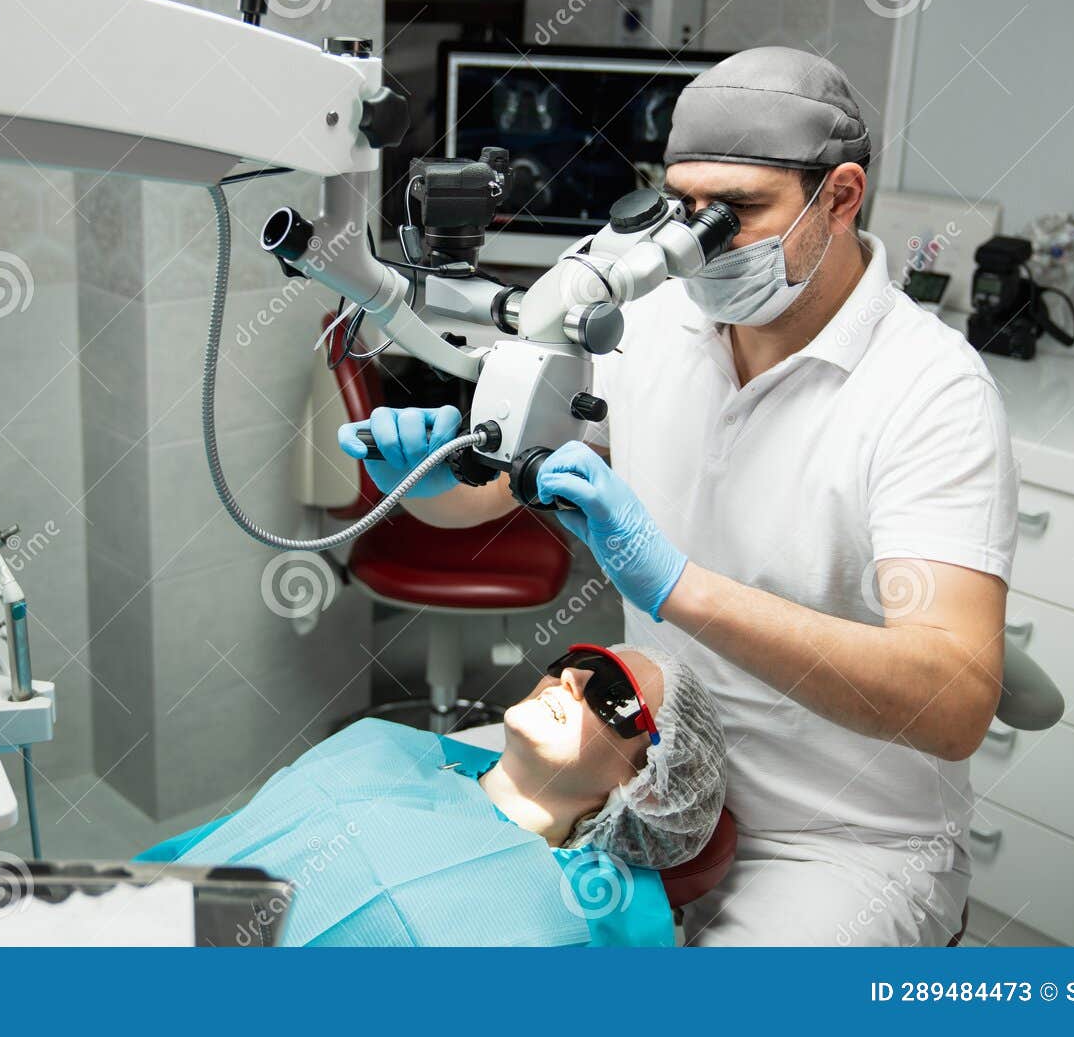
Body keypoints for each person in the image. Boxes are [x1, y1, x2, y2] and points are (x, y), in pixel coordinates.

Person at [338, 47, 1019, 946]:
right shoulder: (651, 323)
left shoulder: (931, 391)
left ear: (841, 195)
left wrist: (676, 584)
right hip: (639, 785)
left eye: (736, 212)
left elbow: (955, 702)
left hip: (837, 840)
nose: (698, 243)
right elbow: (491, 496)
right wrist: (421, 483)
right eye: (683, 207)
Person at [137, 643, 725, 947]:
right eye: (580, 662)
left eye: (615, 697)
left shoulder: (560, 923)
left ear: (644, 787)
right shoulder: (380, 744)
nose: (573, 679)